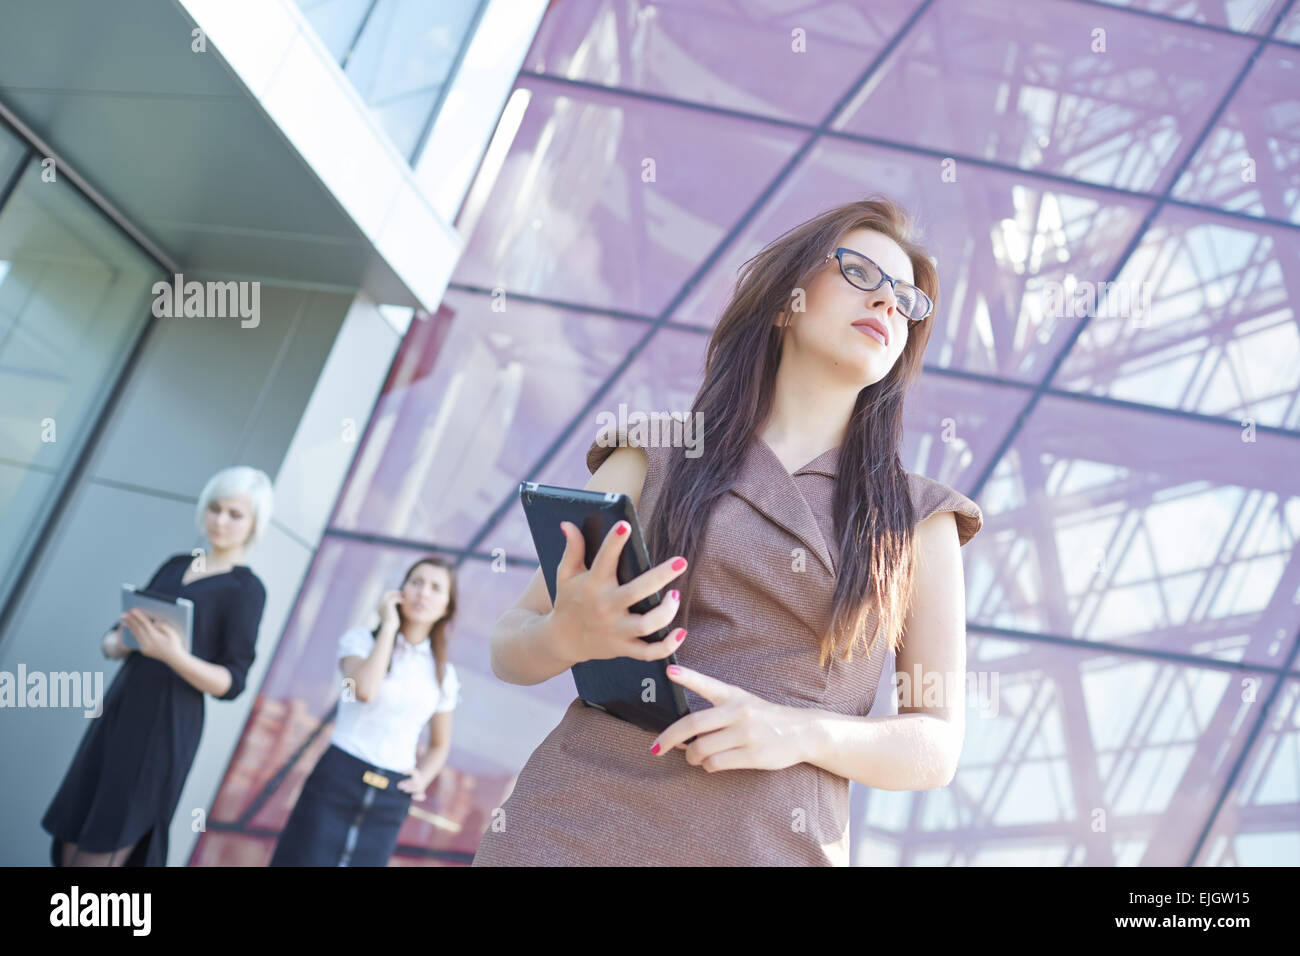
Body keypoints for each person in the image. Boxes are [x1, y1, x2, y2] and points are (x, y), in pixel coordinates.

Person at [473, 196, 985, 866]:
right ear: (784, 303)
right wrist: (563, 635)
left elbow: (935, 747)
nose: (889, 303)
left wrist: (798, 732)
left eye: (907, 298)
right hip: (572, 828)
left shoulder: (918, 518)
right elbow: (510, 646)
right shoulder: (654, 456)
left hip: (768, 846)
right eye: (862, 274)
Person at [43, 465, 272, 866]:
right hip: (119, 709)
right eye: (216, 508)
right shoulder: (175, 564)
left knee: (104, 846)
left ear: (254, 524)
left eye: (235, 514)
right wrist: (121, 641)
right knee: (72, 837)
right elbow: (113, 638)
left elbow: (232, 682)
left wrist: (174, 655)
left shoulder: (246, 589)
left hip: (165, 727)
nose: (221, 521)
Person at [269, 555, 460, 866]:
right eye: (416, 582)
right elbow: (366, 690)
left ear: (447, 607)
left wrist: (422, 778)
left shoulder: (443, 675)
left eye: (436, 588)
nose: (423, 593)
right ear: (400, 591)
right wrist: (389, 627)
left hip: (391, 795)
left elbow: (440, 745)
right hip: (340, 774)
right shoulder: (359, 641)